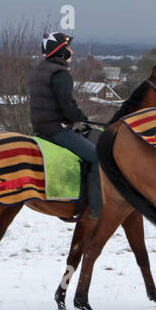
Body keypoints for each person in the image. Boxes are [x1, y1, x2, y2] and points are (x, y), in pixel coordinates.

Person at [28, 31, 101, 218]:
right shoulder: (60, 74)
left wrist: (75, 117)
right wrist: (80, 117)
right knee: (95, 157)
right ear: (61, 51)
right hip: (54, 129)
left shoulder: (40, 69)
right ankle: (95, 209)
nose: (72, 51)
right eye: (68, 48)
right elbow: (67, 106)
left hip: (40, 127)